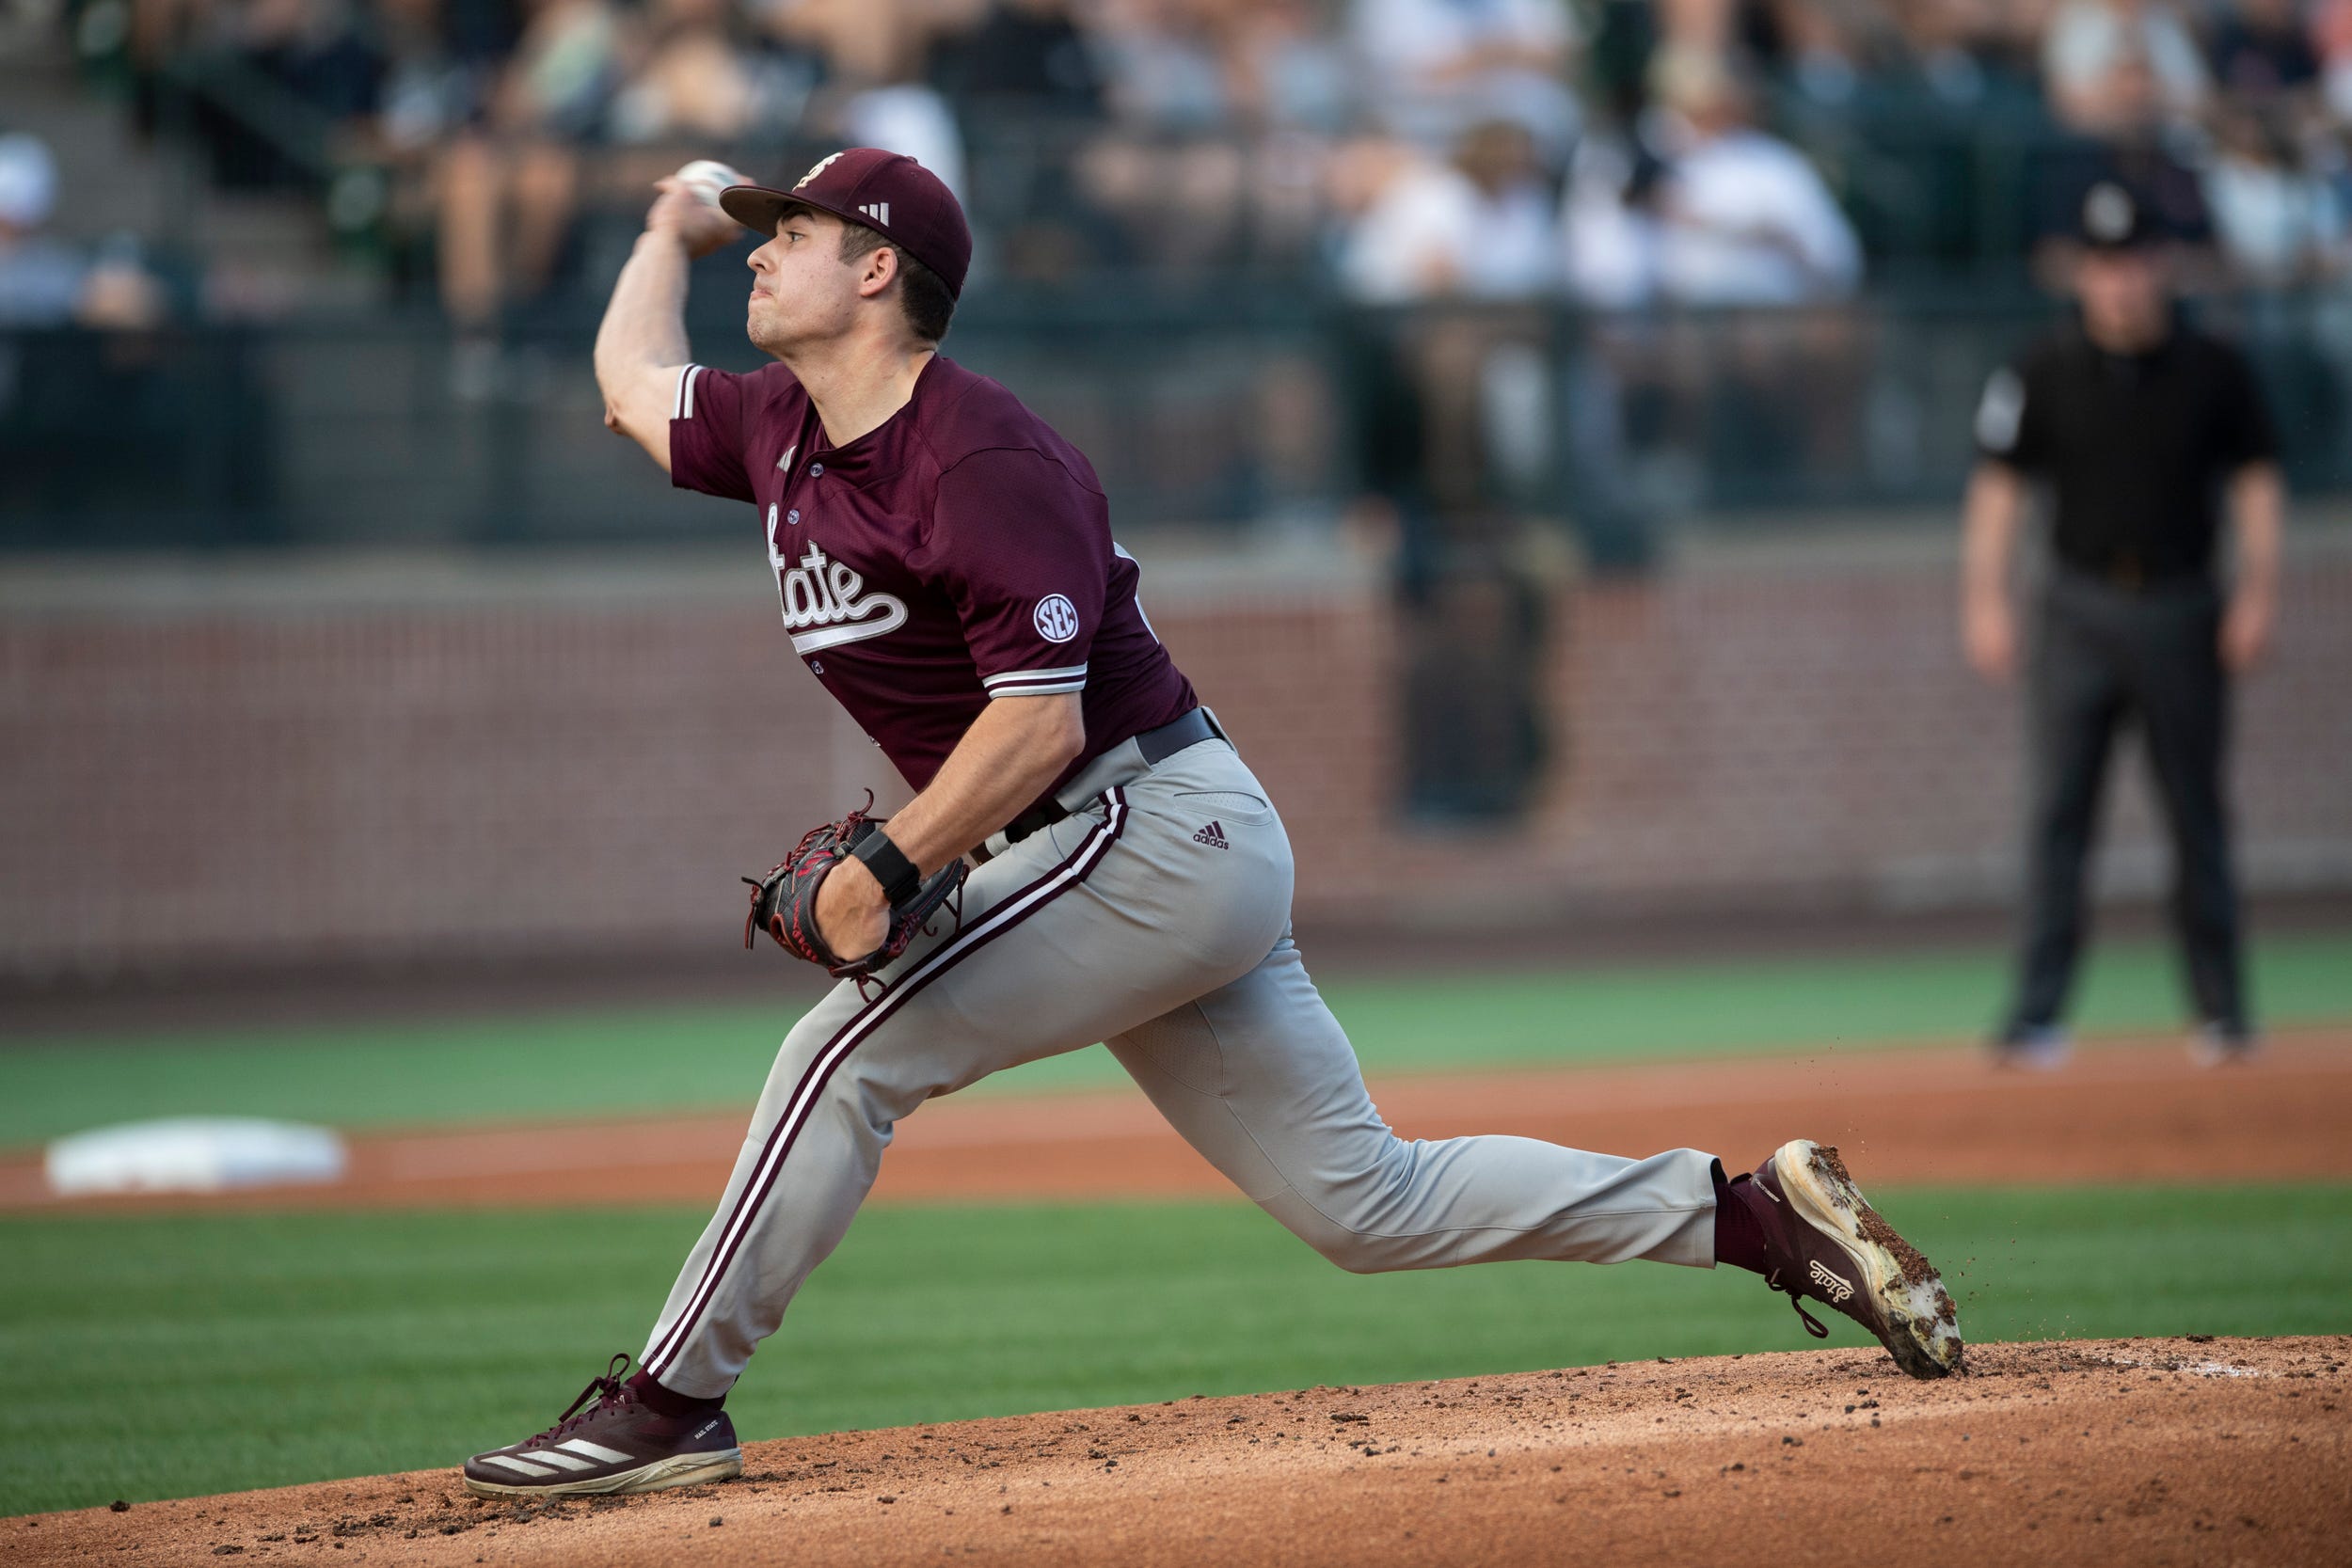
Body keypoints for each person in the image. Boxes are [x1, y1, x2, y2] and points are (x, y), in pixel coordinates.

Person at [457, 147, 1964, 1498]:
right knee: (1366, 1200)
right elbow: (626, 384)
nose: (757, 252)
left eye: (786, 230)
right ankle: (1758, 1216)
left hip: (1150, 822)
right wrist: (667, 225)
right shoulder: (781, 428)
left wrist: (888, 862)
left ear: (877, 271)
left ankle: (670, 1401)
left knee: (845, 1050)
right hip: (1113, 846)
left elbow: (1041, 720)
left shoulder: (979, 459)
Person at [1963, 182, 2283, 1071]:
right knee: (2058, 812)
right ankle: (2036, 1016)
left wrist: (2259, 591)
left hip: (2183, 602)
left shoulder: (2215, 367)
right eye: (2103, 265)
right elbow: (1998, 488)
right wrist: (1985, 598)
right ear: (2084, 273)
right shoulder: (2041, 367)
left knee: (2196, 812)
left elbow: (2257, 481)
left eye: (2135, 261)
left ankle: (2222, 1012)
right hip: (2077, 606)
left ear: (2163, 265)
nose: (2120, 282)